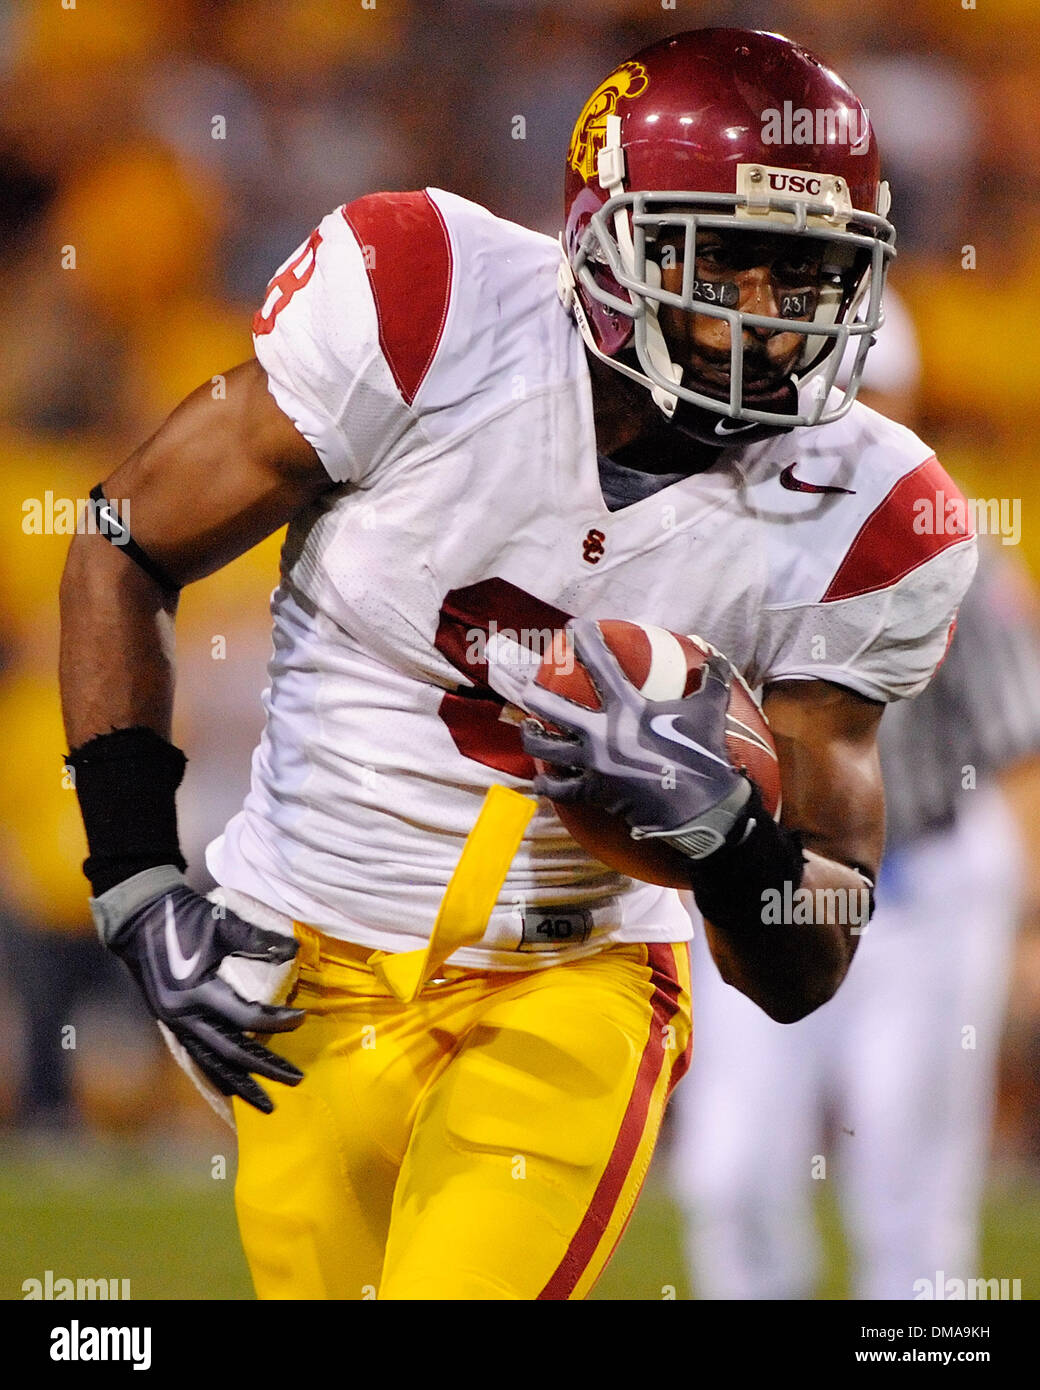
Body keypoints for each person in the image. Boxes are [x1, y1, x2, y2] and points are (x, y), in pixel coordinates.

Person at [58, 28, 975, 1300]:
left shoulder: (873, 508)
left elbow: (809, 956)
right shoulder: (429, 301)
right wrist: (137, 880)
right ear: (605, 238)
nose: (766, 318)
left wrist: (725, 838)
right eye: (727, 261)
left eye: (809, 275)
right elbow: (118, 542)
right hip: (299, 958)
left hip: (574, 979)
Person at [669, 300, 1040, 1301]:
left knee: (908, 1200)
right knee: (730, 1169)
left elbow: (1016, 758)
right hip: (757, 883)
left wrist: (1023, 931)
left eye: (869, 401)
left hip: (922, 890)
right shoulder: (719, 541)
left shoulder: (957, 553)